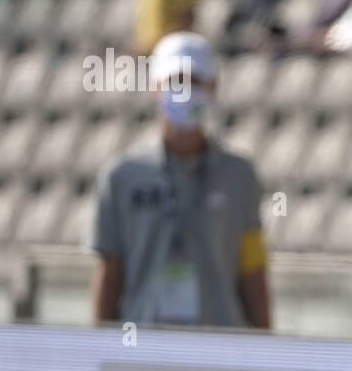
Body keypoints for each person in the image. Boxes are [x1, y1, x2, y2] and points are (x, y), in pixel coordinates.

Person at [90, 32, 271, 330]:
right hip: (143, 344)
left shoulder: (239, 175)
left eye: (194, 82)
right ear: (154, 87)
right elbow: (110, 271)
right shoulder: (122, 175)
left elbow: (252, 268)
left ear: (212, 88)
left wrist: (265, 349)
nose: (184, 91)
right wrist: (101, 349)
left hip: (220, 344)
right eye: (175, 81)